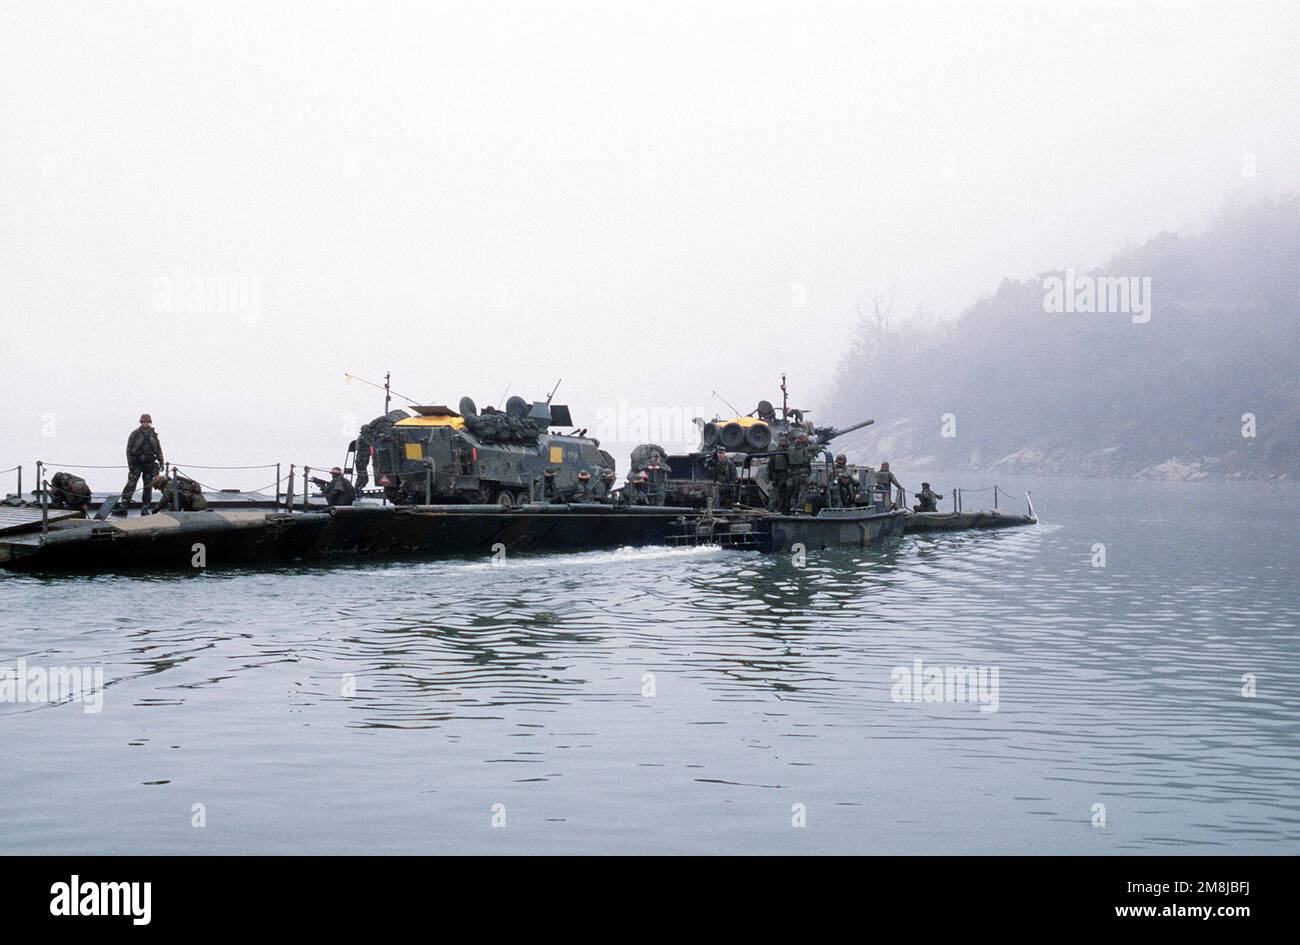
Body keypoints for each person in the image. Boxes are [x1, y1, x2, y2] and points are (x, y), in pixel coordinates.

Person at [119, 413, 165, 513]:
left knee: (148, 486)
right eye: (144, 422)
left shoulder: (153, 434)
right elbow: (128, 450)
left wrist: (161, 462)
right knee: (131, 485)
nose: (146, 423)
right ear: (141, 422)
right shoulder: (135, 433)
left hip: (149, 463)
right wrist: (130, 464)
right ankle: (124, 505)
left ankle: (145, 507)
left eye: (148, 422)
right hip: (137, 463)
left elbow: (158, 449)